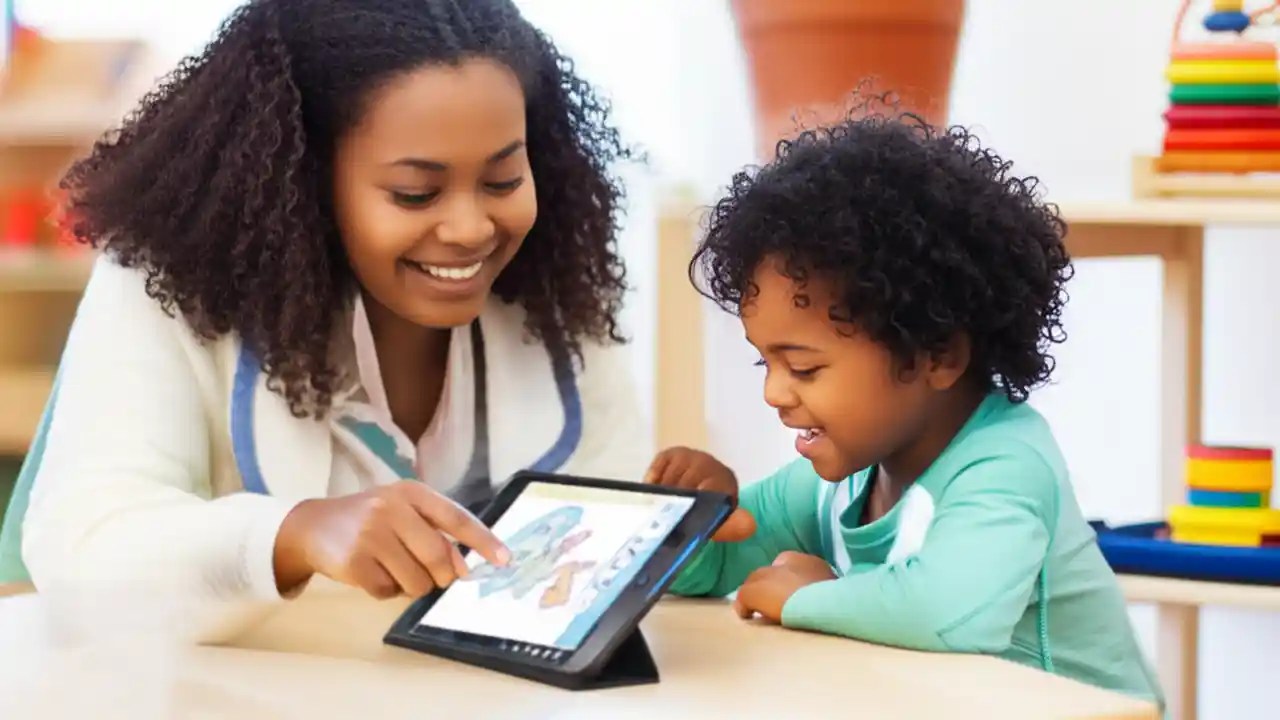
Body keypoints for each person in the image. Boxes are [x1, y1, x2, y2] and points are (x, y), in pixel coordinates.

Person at [1, 0, 649, 637]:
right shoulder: (168, 282)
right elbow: (83, 547)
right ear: (305, 177)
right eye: (415, 193)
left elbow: (611, 532)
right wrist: (295, 533)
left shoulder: (558, 276)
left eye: (504, 180)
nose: (470, 226)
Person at [646, 108, 1165, 707]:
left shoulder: (1004, 462)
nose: (775, 394)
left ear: (935, 354)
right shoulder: (841, 480)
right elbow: (715, 571)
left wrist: (806, 598)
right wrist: (693, 524)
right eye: (767, 363)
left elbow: (949, 611)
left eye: (805, 368)